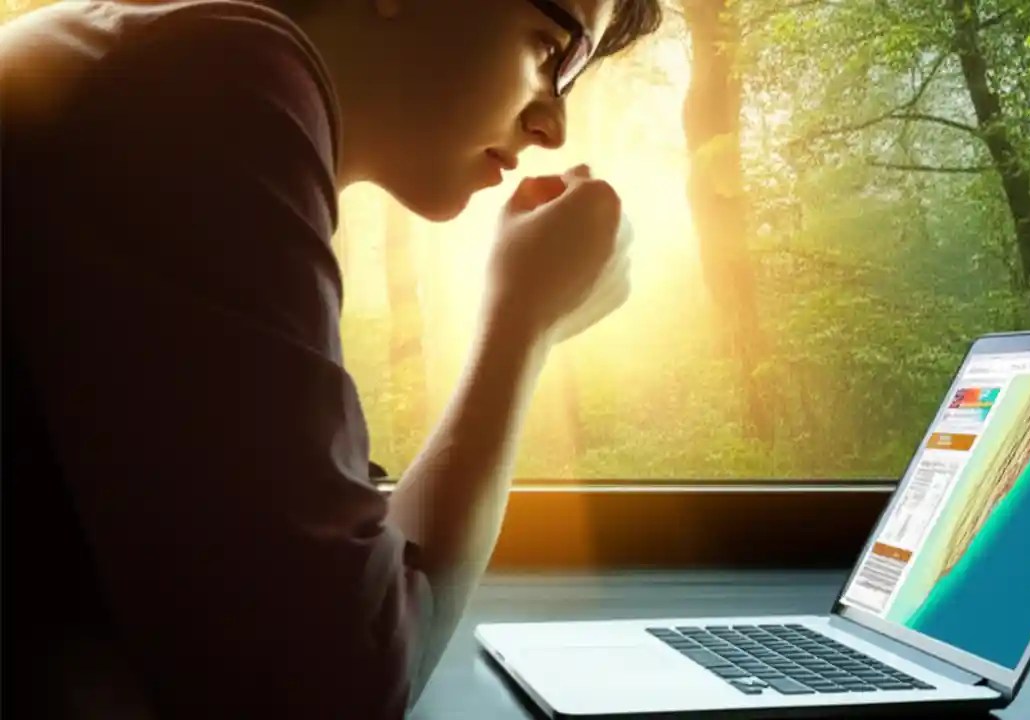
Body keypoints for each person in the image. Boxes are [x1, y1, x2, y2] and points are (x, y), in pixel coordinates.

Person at [0, 0, 660, 716]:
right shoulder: (214, 81)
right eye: (555, 52)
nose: (553, 127)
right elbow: (340, 682)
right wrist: (523, 326)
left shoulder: (138, 55)